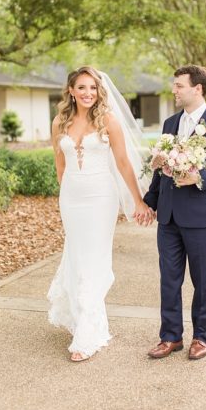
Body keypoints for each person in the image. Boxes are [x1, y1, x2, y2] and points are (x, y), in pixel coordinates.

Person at [48, 66, 153, 363]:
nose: (88, 93)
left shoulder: (108, 121)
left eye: (92, 88)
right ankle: (84, 318)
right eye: (81, 87)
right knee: (77, 256)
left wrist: (138, 201)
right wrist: (66, 194)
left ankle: (87, 333)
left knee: (94, 259)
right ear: (71, 90)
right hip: (71, 197)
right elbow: (59, 165)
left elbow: (122, 163)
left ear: (99, 91)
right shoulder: (59, 122)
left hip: (100, 198)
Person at [143, 65, 206, 361]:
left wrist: (199, 178)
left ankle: (201, 337)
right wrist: (150, 201)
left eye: (178, 86)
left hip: (202, 218)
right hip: (169, 217)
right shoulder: (170, 123)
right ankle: (170, 336)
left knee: (203, 280)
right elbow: (161, 172)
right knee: (169, 280)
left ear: (197, 89)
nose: (174, 90)